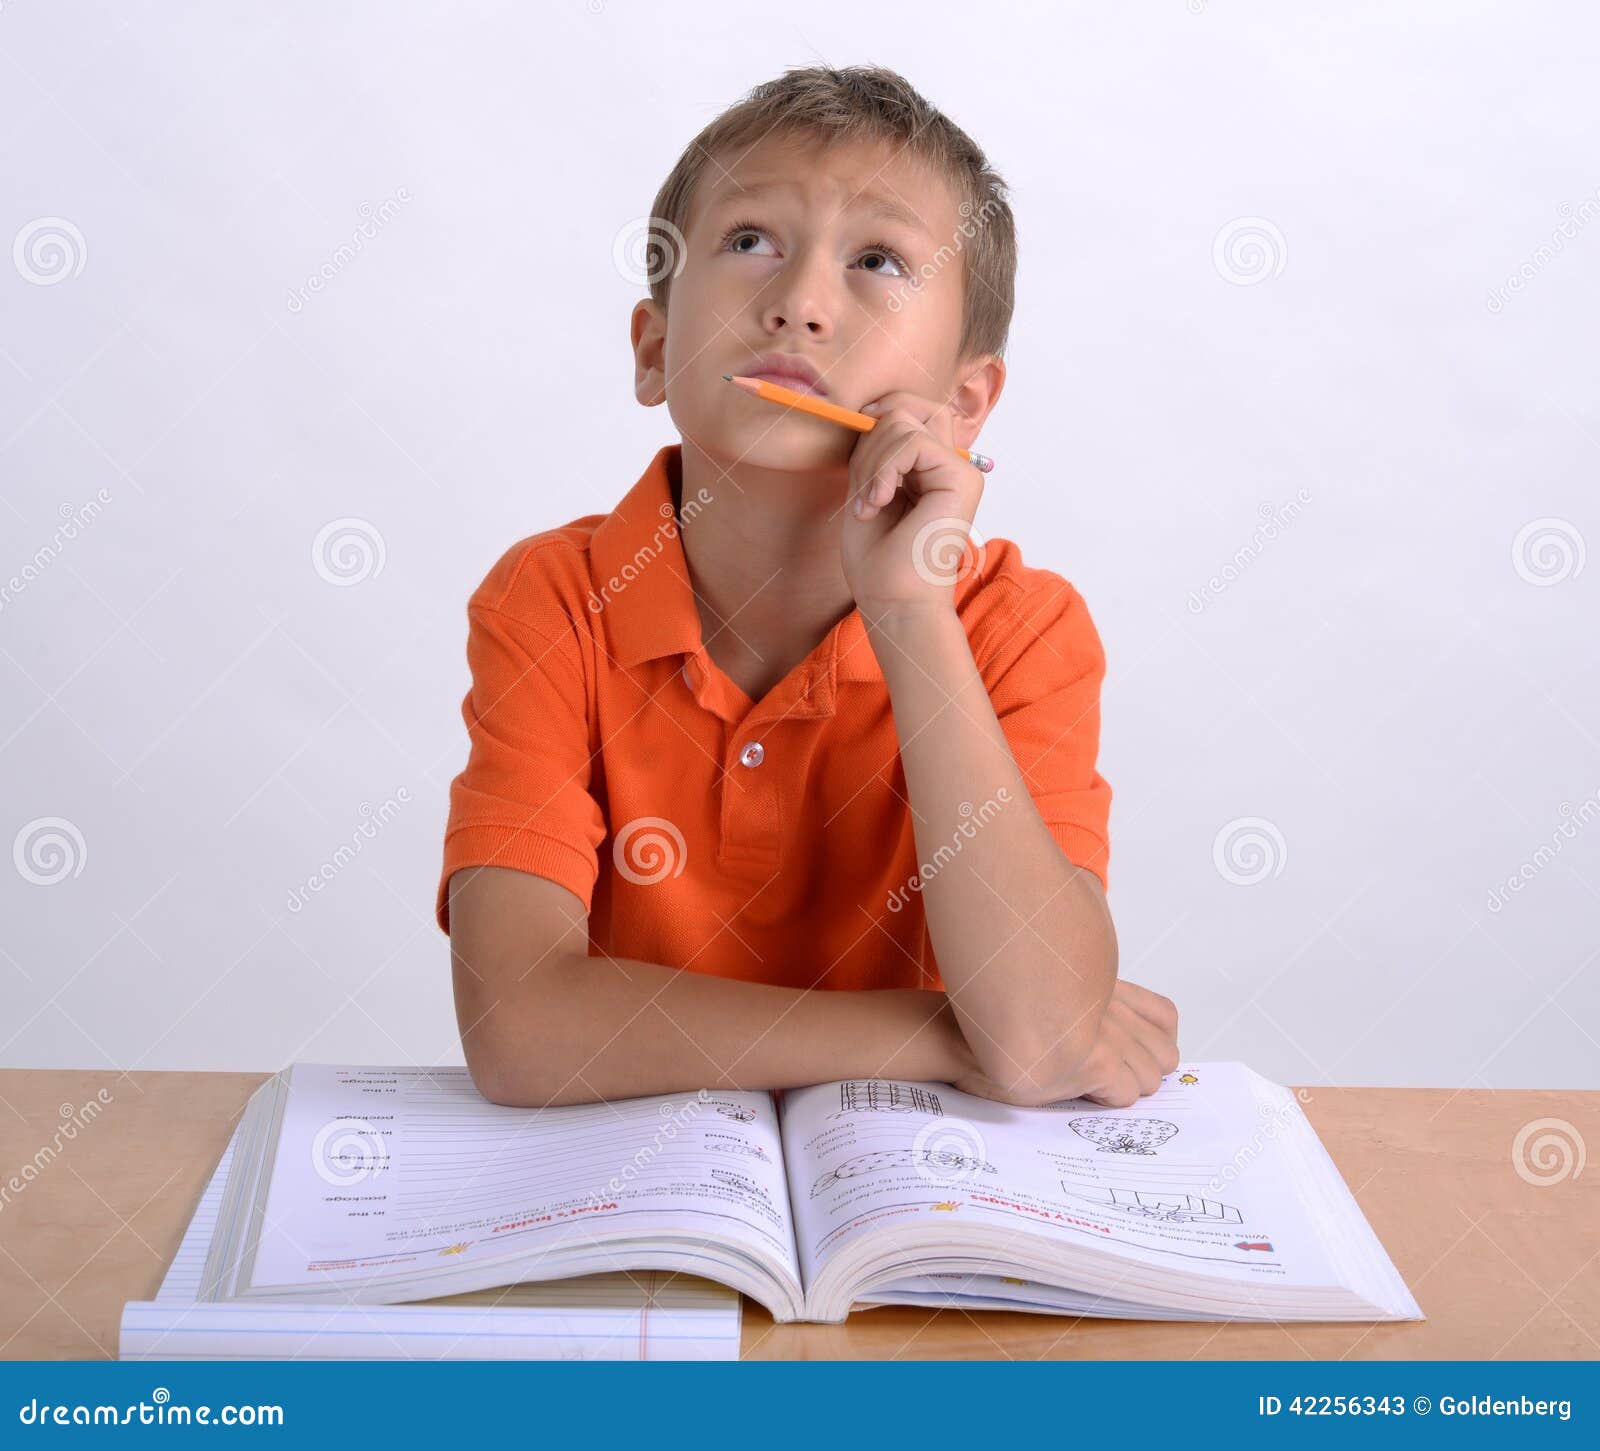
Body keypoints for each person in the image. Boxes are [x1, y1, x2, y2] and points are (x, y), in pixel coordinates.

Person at [437, 65, 1179, 1110]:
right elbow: (520, 1033)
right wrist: (937, 1031)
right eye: (750, 242)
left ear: (964, 405)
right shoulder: (550, 598)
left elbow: (1040, 1037)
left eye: (877, 260)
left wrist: (910, 609)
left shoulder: (1022, 629)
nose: (798, 306)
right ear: (653, 349)